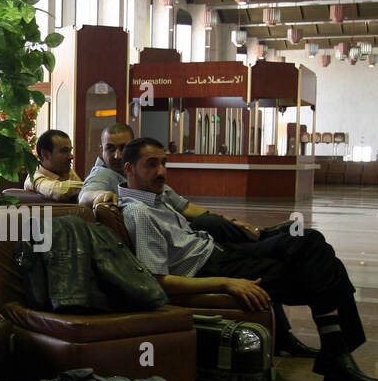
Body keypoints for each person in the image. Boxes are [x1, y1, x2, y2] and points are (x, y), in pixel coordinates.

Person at [117, 137, 378, 381]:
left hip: (222, 251)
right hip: (210, 268)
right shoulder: (139, 212)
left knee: (309, 242)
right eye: (152, 164)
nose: (161, 171)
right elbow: (158, 281)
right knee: (326, 264)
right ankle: (338, 362)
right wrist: (226, 283)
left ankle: (337, 361)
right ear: (129, 168)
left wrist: (234, 226)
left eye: (164, 162)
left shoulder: (158, 194)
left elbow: (193, 213)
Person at [79, 122, 320, 358]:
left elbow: (185, 207)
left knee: (282, 240)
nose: (117, 155)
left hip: (201, 242)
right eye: (110, 148)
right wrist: (101, 196)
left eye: (123, 147)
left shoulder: (151, 180)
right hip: (197, 260)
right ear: (102, 151)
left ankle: (286, 327)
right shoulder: (107, 178)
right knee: (307, 256)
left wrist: (233, 222)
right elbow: (85, 195)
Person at [24, 129, 84, 201]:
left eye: (70, 151)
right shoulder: (33, 178)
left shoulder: (65, 170)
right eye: (64, 151)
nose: (71, 156)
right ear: (45, 155)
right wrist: (92, 186)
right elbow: (58, 191)